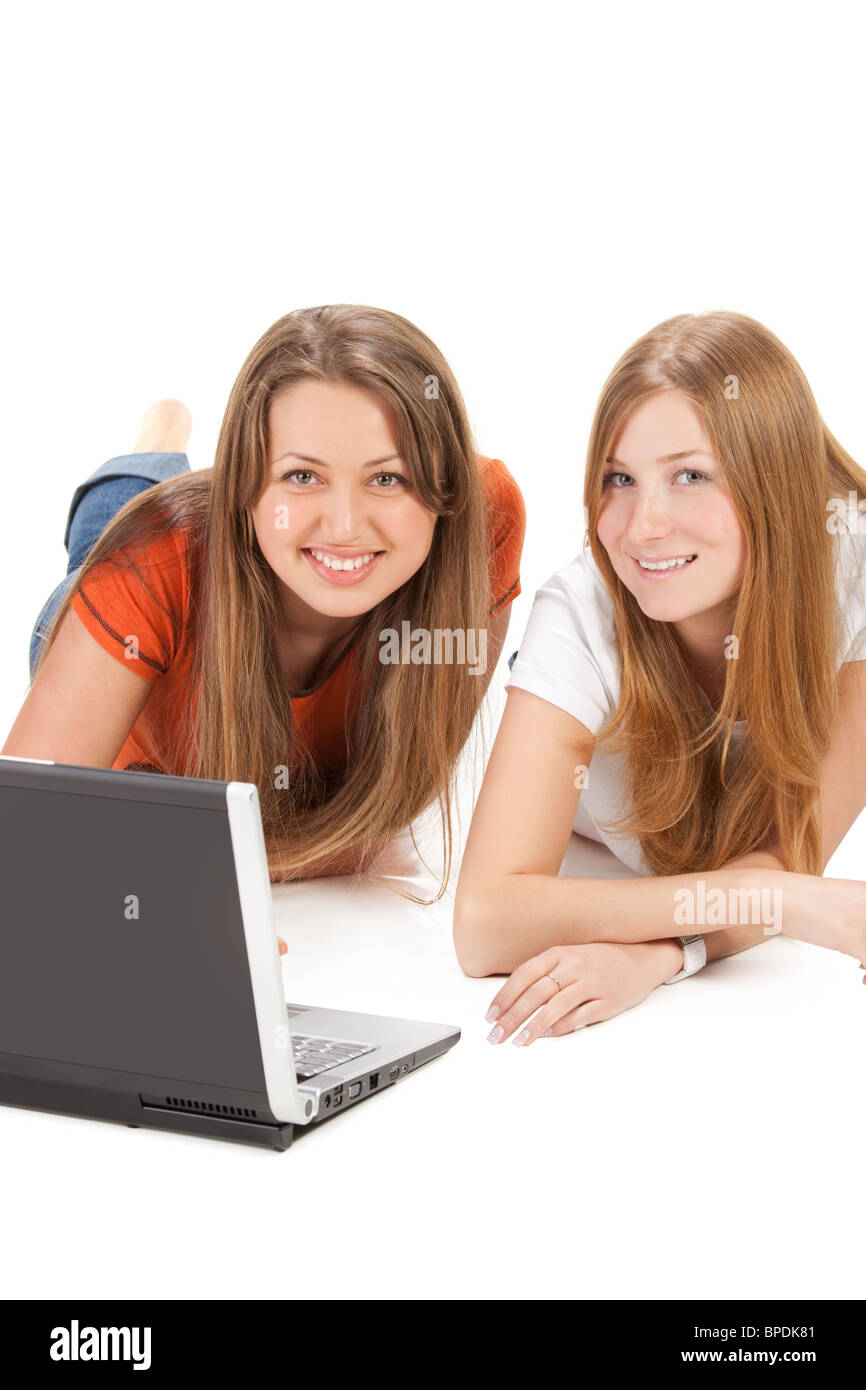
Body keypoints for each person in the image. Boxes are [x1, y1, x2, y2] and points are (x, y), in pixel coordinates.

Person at [4, 305, 526, 903]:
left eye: (387, 479)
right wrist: (186, 901)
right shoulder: (149, 567)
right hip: (122, 624)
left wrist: (205, 856)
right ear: (243, 487)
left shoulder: (482, 518)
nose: (347, 526)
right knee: (113, 533)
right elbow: (25, 852)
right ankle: (157, 442)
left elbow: (385, 816)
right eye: (303, 476)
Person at [453, 310, 866, 1046]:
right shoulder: (580, 612)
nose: (642, 527)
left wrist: (662, 956)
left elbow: (792, 854)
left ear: (775, 483)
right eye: (619, 478)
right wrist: (760, 895)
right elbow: (486, 922)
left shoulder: (851, 571)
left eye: (691, 476)